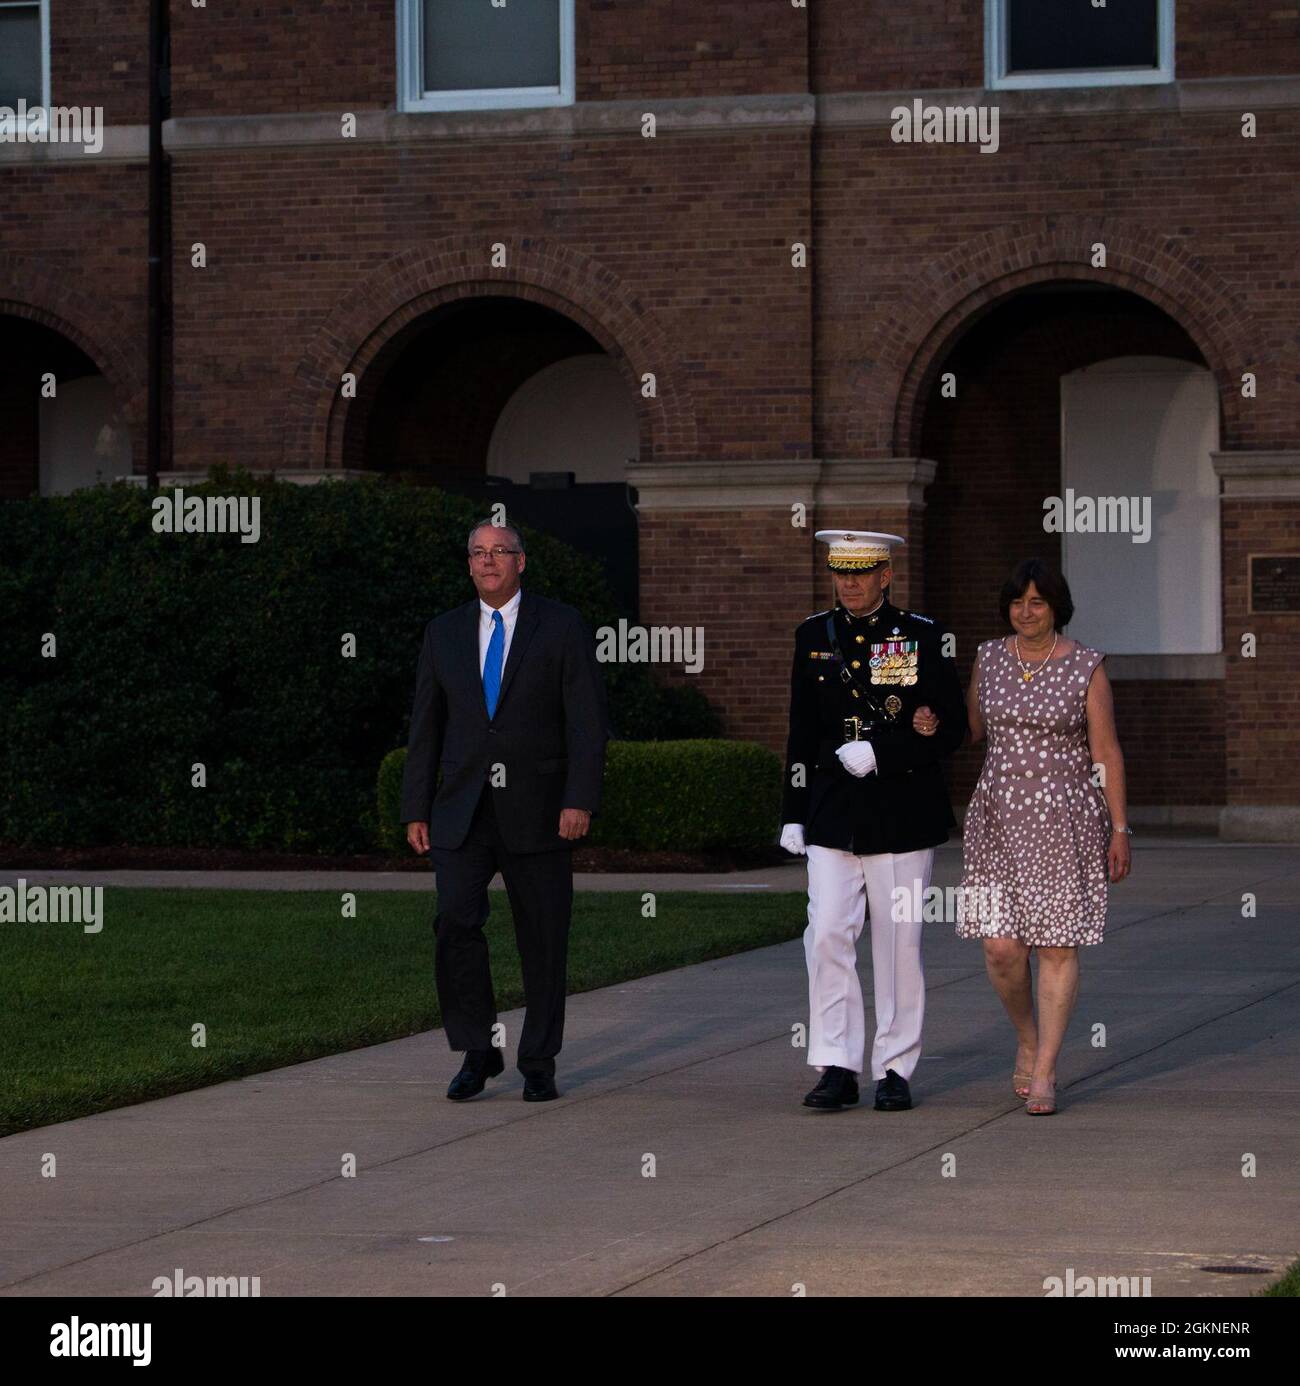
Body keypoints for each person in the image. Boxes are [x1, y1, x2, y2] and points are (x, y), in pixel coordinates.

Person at [400, 519, 608, 1103]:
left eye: (500, 552)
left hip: (540, 810)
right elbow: (426, 727)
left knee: (542, 939)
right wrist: (416, 806)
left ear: (522, 561)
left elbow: (586, 723)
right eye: (477, 552)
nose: (488, 561)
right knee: (454, 924)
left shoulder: (561, 625)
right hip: (461, 812)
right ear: (468, 565)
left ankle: (538, 1059)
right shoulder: (442, 633)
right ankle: (477, 1050)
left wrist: (578, 798)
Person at [912, 558, 1131, 1115]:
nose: (1025, 612)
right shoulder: (989, 657)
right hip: (996, 820)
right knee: (1001, 948)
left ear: (1056, 606)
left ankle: (1048, 1068)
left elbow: (1105, 753)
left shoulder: (1085, 665)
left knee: (1057, 946)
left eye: (1036, 602)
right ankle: (1028, 1039)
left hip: (1066, 820)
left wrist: (1119, 827)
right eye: (1016, 603)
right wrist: (931, 722)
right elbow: (972, 730)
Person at [781, 530, 968, 1112]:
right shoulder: (814, 635)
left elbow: (951, 730)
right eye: (842, 573)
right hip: (833, 812)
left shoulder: (922, 635)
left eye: (863, 573)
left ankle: (894, 1067)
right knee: (828, 934)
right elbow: (801, 732)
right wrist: (792, 811)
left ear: (886, 575)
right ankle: (836, 1063)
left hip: (900, 812)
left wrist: (884, 753)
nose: (851, 583)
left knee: (896, 943)